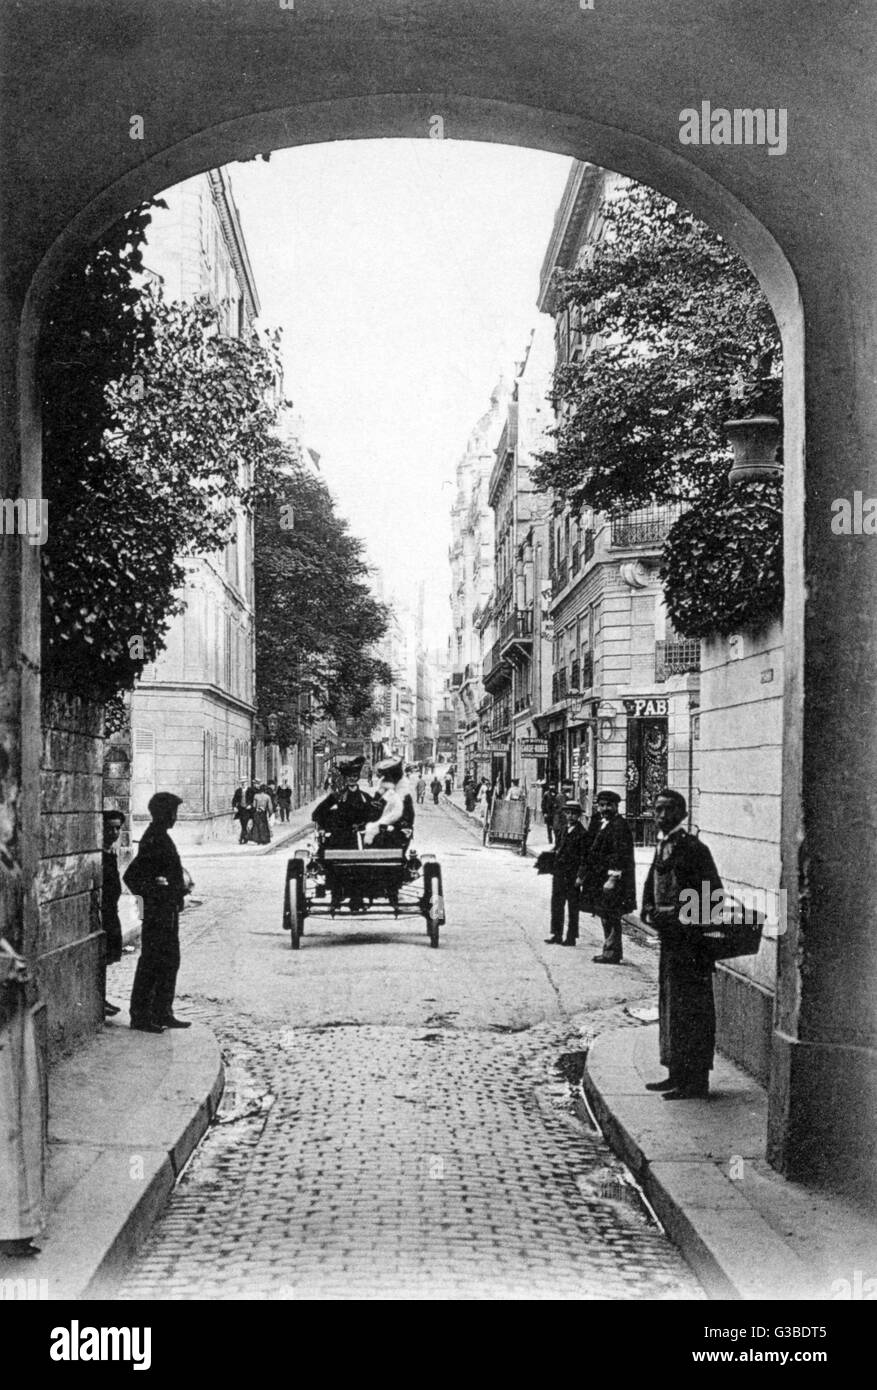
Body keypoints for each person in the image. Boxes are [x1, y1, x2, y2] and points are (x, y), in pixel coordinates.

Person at [641, 788, 723, 1100]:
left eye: (669, 810)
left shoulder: (693, 849)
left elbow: (713, 896)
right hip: (671, 944)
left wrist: (678, 919)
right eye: (658, 809)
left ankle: (695, 1081)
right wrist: (648, 909)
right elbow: (652, 884)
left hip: (692, 946)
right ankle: (675, 1072)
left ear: (683, 814)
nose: (662, 816)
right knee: (672, 1007)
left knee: (692, 1011)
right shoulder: (662, 846)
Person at [125, 792, 191, 1033]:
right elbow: (132, 877)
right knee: (152, 962)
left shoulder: (161, 836)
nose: (175, 817)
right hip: (156, 912)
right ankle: (141, 1016)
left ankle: (163, 1011)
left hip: (167, 910)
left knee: (169, 961)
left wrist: (178, 889)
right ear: (163, 813)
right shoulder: (153, 839)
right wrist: (154, 892)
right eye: (173, 812)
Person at [579, 790, 637, 964]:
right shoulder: (599, 822)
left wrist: (613, 878)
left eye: (608, 805)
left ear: (616, 806)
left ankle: (612, 952)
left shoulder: (619, 825)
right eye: (602, 805)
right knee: (605, 913)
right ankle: (609, 949)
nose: (604, 808)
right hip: (599, 876)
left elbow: (621, 854)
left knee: (611, 914)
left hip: (614, 879)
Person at [545, 800, 589, 946]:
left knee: (572, 907)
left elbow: (585, 857)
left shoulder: (582, 834)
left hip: (572, 875)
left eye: (574, 814)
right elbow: (558, 847)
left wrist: (580, 877)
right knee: (557, 904)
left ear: (579, 816)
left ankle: (571, 937)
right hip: (559, 873)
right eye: (568, 813)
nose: (570, 816)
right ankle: (556, 934)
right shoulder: (563, 829)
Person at [101, 809, 126, 1017]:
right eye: (110, 828)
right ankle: (100, 999)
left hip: (112, 912)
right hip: (104, 914)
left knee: (107, 958)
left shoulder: (110, 852)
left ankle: (102, 997)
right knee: (102, 958)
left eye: (118, 828)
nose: (114, 832)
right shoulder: (100, 854)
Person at [363, 758, 415, 848]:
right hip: (379, 834)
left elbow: (408, 818)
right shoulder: (381, 792)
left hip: (396, 836)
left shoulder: (404, 795)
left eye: (388, 776)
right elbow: (373, 812)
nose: (385, 778)